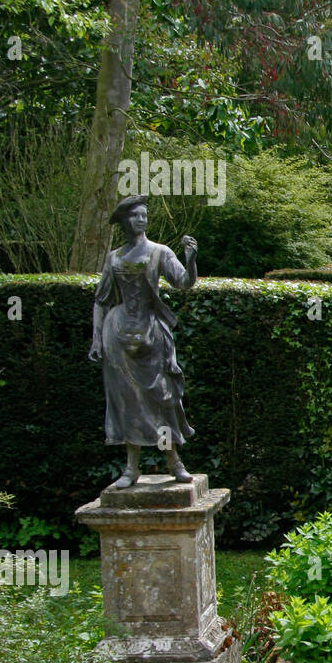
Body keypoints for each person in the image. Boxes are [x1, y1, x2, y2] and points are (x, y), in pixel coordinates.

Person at [88, 195, 198, 488]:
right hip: (118, 336)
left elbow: (184, 282)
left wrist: (191, 259)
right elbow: (101, 301)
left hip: (152, 334)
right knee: (126, 401)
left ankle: (174, 461)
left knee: (163, 398)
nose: (141, 220)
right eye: (135, 215)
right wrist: (97, 339)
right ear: (125, 220)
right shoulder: (113, 257)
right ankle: (130, 467)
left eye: (144, 215)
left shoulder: (160, 252)